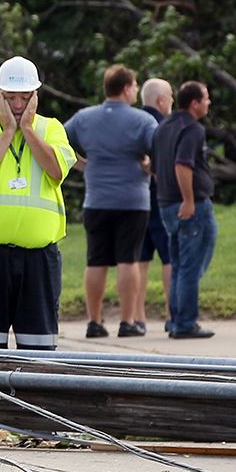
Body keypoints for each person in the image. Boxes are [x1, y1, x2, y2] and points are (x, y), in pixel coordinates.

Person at [0, 56, 77, 349]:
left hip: (39, 258)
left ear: (36, 96)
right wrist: (8, 131)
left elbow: (56, 170)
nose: (18, 105)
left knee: (39, 349)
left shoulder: (51, 128)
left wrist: (29, 131)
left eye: (25, 98)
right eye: (11, 98)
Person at [64, 65, 156, 338]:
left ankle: (94, 321)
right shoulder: (142, 121)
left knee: (96, 261)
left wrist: (80, 163)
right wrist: (148, 165)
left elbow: (58, 140)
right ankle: (128, 322)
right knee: (128, 259)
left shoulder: (84, 118)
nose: (136, 91)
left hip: (96, 199)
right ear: (127, 88)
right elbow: (158, 152)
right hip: (132, 201)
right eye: (136, 86)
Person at [152, 81, 217, 339]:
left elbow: (154, 168)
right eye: (206, 98)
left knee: (179, 265)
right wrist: (188, 200)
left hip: (166, 204)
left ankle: (176, 319)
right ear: (194, 103)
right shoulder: (192, 129)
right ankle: (185, 323)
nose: (209, 103)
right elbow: (182, 165)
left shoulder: (163, 127)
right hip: (191, 206)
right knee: (191, 265)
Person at [136, 78, 174, 332]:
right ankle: (174, 315)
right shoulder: (163, 127)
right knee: (170, 259)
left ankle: (136, 317)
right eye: (170, 96)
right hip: (162, 198)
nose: (172, 101)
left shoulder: (133, 123)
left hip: (136, 200)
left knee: (139, 260)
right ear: (161, 100)